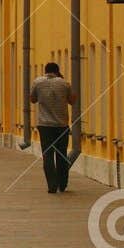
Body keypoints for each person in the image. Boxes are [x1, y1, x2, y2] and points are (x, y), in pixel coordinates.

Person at [30, 61, 76, 193]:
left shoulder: (37, 82)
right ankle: (63, 183)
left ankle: (52, 185)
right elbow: (72, 101)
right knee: (61, 154)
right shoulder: (64, 83)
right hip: (61, 125)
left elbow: (32, 99)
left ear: (45, 70)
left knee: (48, 155)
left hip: (44, 125)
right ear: (57, 70)